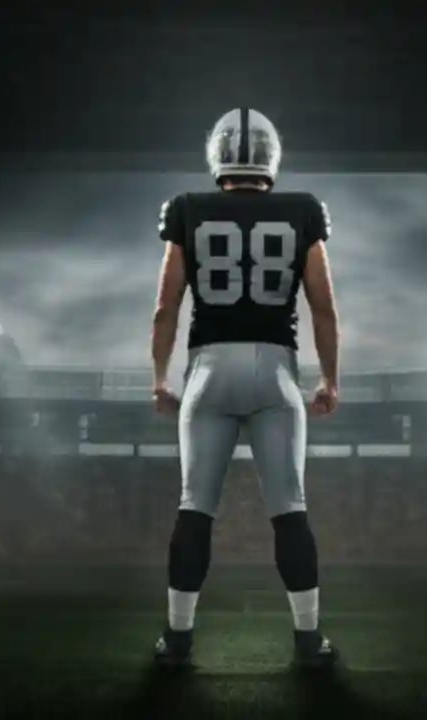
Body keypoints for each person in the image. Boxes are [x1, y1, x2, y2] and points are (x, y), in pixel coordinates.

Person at [149, 108, 340, 671]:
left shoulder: (186, 209)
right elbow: (323, 307)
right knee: (290, 511)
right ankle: (309, 641)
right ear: (271, 156)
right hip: (276, 371)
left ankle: (178, 640)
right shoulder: (303, 211)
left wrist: (159, 379)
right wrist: (331, 379)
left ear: (218, 155)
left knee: (194, 510)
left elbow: (166, 307)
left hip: (208, 370)